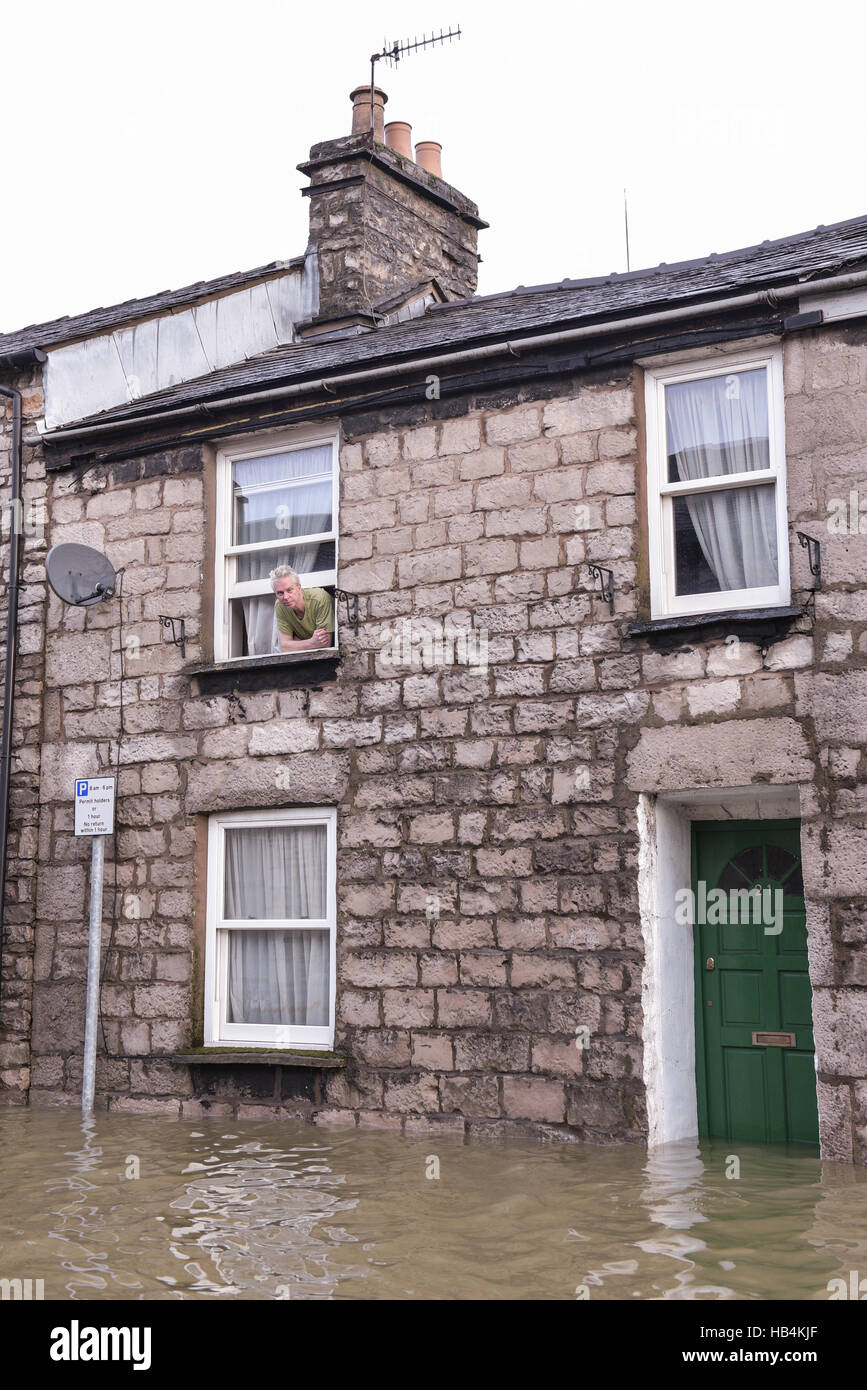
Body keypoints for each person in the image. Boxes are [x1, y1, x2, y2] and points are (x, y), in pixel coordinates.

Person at [271, 566, 335, 652]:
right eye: (280, 593)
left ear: (299, 587)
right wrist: (312, 642)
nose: (285, 597)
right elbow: (285, 647)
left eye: (289, 590)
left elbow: (325, 644)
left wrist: (296, 643)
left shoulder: (319, 598)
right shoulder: (280, 606)